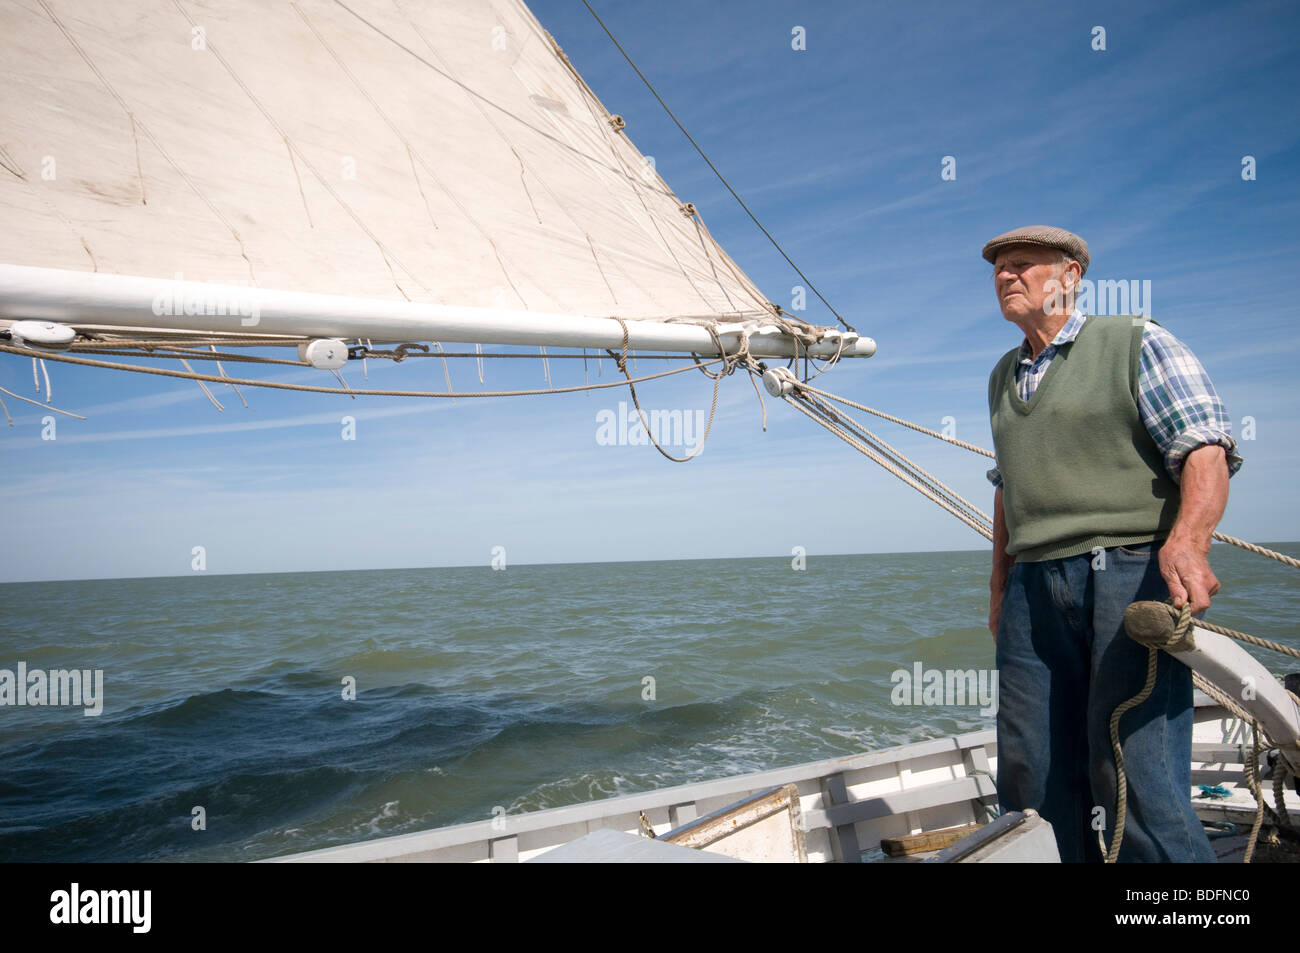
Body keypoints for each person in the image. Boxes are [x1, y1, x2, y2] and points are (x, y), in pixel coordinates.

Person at [983, 225, 1242, 863]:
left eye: (1022, 265)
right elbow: (1007, 491)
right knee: (1028, 765)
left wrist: (1189, 542)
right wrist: (998, 593)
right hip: (1033, 582)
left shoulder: (1133, 341)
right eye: (998, 269)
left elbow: (1205, 448)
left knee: (1133, 764)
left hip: (1130, 569)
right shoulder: (1002, 376)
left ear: (1070, 276)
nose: (1005, 276)